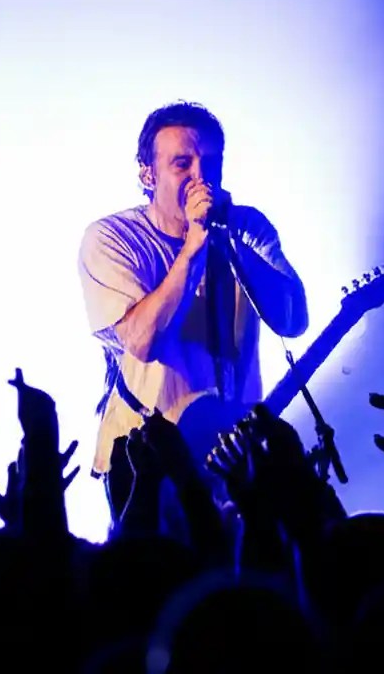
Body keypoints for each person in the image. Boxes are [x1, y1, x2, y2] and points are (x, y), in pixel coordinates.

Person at [79, 101, 309, 517]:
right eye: (182, 164)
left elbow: (293, 320)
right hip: (146, 454)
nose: (201, 178)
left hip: (231, 444)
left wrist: (229, 242)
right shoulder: (111, 239)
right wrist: (194, 243)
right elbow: (142, 340)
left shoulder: (247, 228)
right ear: (147, 174)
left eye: (211, 163)